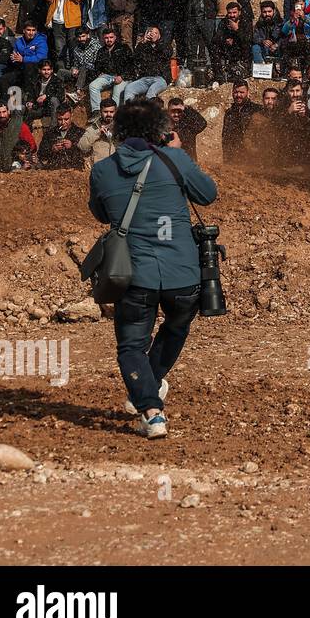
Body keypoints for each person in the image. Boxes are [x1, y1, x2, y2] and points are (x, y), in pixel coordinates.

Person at [88, 97, 218, 439]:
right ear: (161, 130)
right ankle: (150, 385)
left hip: (133, 275)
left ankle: (150, 409)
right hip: (183, 274)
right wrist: (178, 154)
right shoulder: (174, 158)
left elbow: (102, 214)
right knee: (176, 327)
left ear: (119, 130)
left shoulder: (102, 170)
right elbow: (208, 194)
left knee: (131, 345)